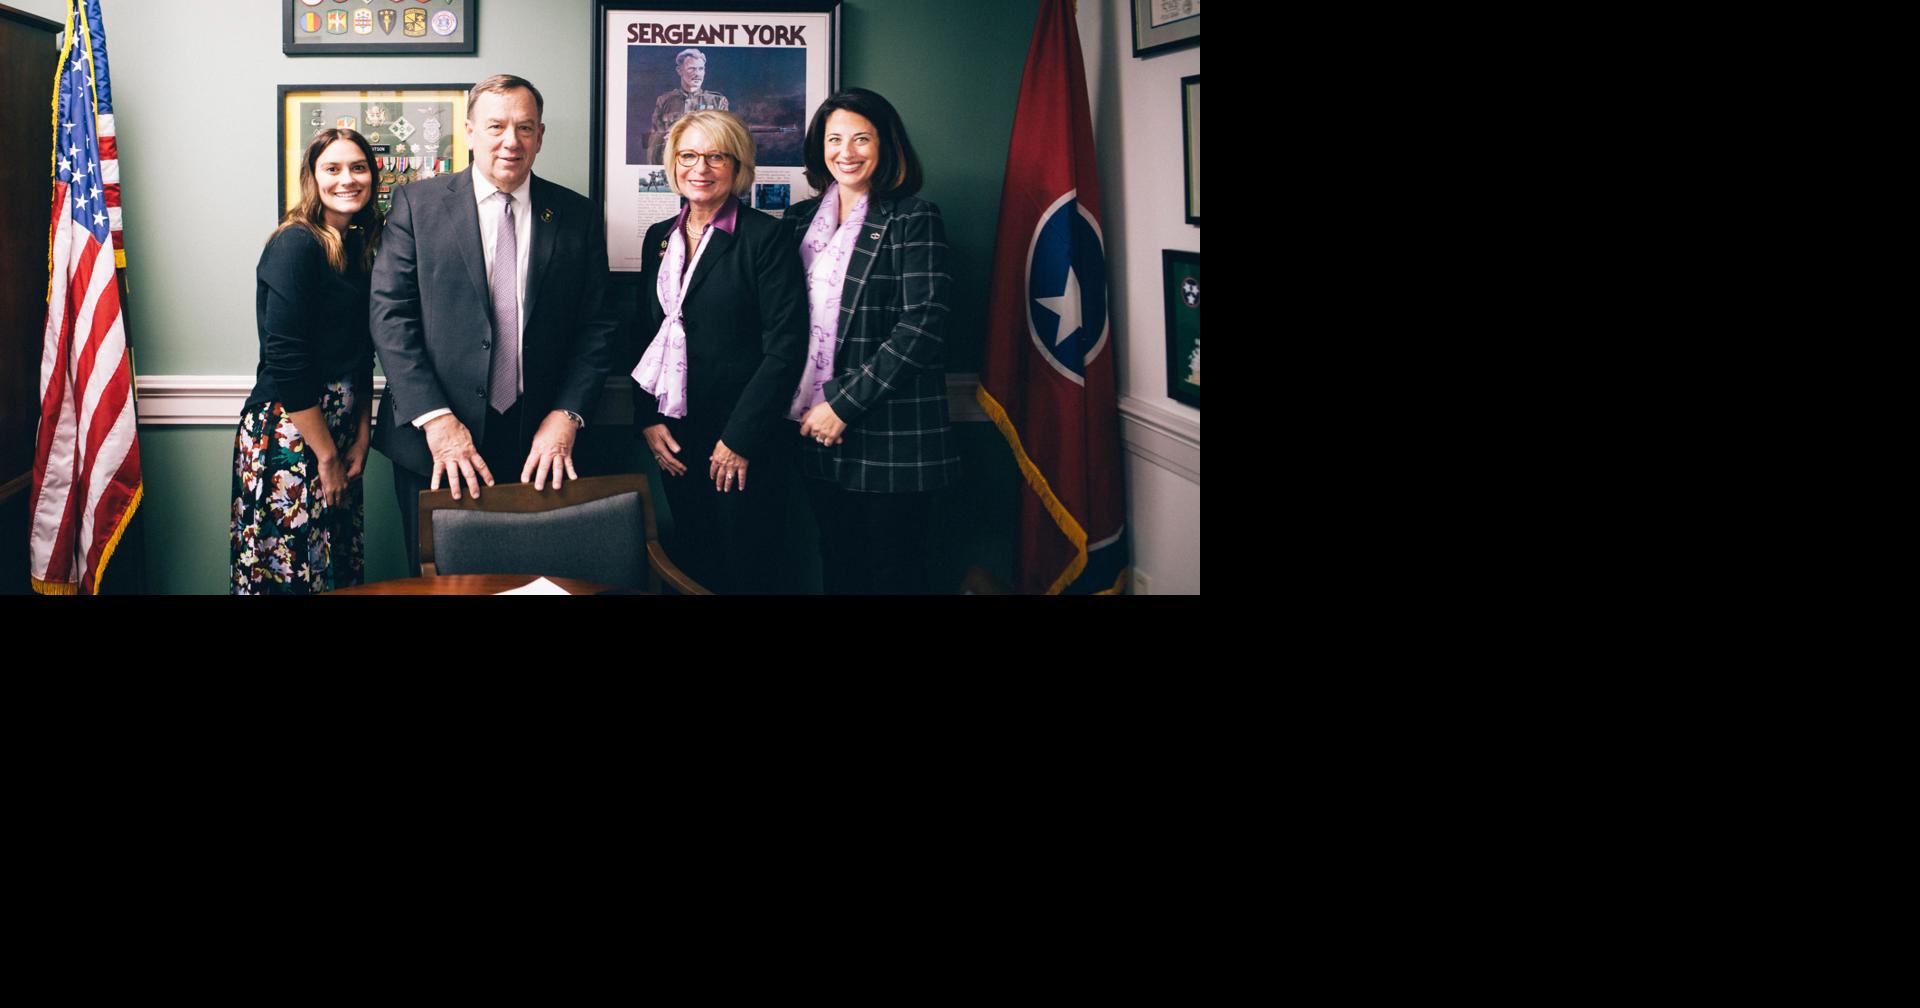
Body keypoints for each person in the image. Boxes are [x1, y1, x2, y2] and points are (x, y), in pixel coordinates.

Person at [371, 74, 618, 575]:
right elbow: (390, 316)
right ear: (469, 131)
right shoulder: (416, 205)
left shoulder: (577, 214)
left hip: (543, 444)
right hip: (436, 444)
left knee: (538, 579)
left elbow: (600, 325)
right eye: (497, 126)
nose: (511, 141)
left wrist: (567, 415)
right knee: (441, 581)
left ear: (541, 135)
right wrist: (437, 421)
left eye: (525, 127)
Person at [785, 89, 961, 595]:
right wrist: (823, 413)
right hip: (812, 428)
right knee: (837, 558)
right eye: (835, 139)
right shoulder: (798, 221)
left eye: (862, 138)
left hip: (890, 431)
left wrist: (842, 405)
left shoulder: (912, 217)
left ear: (886, 145)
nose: (847, 152)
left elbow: (923, 325)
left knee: (893, 573)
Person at [633, 109, 807, 593]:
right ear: (672, 163)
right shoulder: (659, 238)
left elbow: (785, 348)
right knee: (692, 560)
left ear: (738, 167)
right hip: (677, 437)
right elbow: (643, 334)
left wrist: (740, 440)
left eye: (716, 156)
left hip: (743, 441)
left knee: (747, 567)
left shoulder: (764, 238)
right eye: (688, 155)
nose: (700, 168)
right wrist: (648, 418)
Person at [231, 128, 382, 594]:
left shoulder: (358, 247)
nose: (347, 179)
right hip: (289, 434)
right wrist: (327, 455)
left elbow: (361, 354)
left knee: (332, 566)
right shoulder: (295, 243)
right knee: (292, 572)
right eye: (332, 169)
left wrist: (361, 435)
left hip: (337, 432)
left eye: (358, 167)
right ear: (312, 179)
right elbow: (286, 358)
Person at [647, 48, 730, 164]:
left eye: (701, 69)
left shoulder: (717, 102)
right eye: (691, 69)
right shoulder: (665, 101)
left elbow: (723, 141)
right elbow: (654, 143)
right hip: (673, 162)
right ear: (679, 71)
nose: (697, 74)